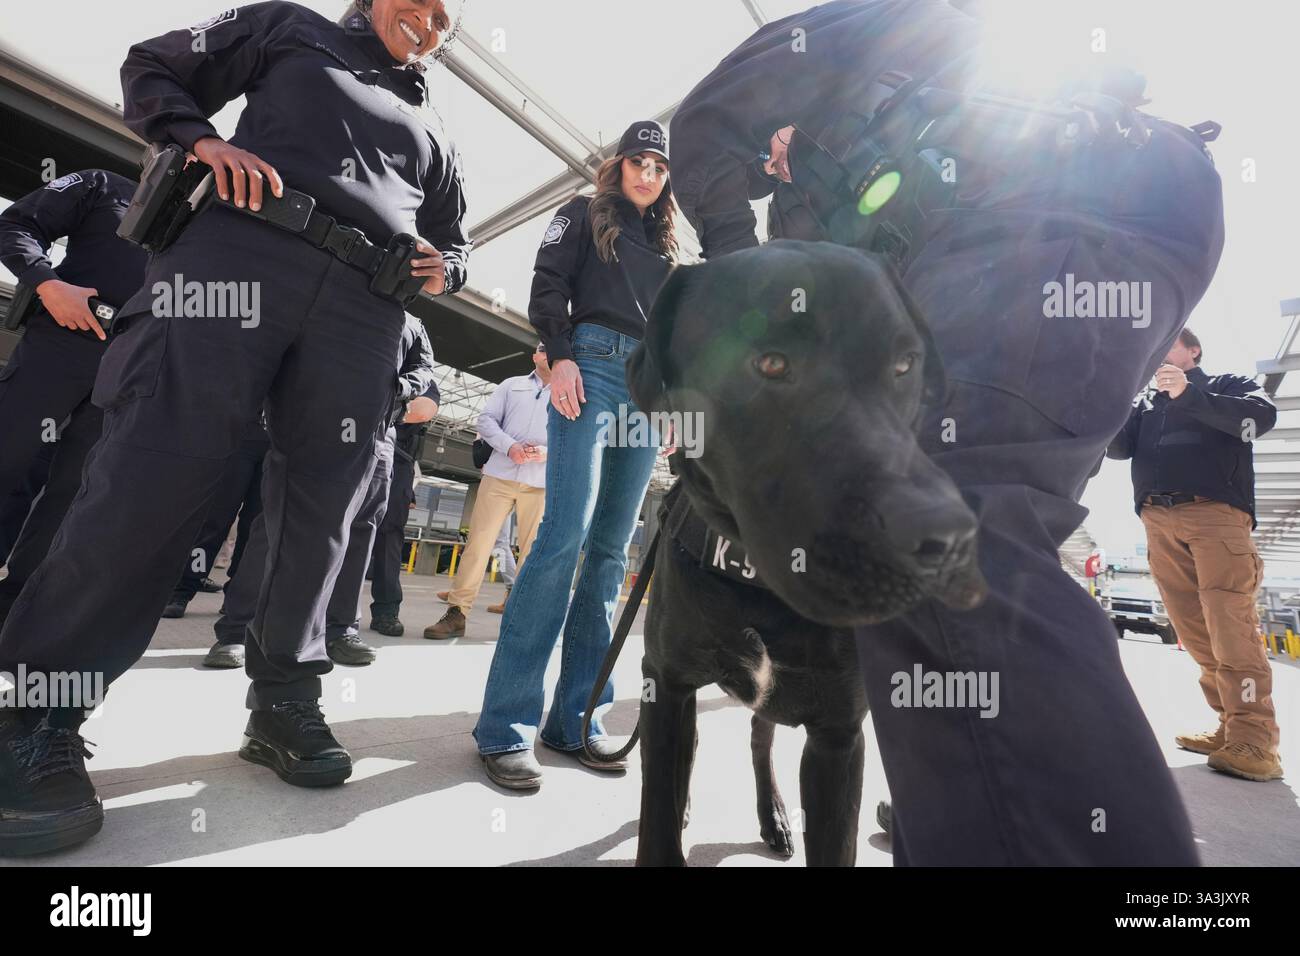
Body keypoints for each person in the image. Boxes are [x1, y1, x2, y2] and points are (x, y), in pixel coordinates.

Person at [668, 0, 1225, 863]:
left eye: (774, 152)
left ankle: (1020, 830)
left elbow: (705, 122)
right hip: (1143, 219)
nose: (774, 164)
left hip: (1046, 216)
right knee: (989, 512)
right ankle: (957, 804)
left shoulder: (865, 28)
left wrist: (738, 265)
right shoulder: (857, 185)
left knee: (950, 523)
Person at [0, 0, 468, 857]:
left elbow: (453, 240)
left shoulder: (437, 128)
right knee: (155, 472)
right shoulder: (293, 28)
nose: (431, 23)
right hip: (240, 257)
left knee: (324, 511)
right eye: (421, 2)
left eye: (448, 18)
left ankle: (284, 701)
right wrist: (195, 139)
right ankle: (35, 715)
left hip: (367, 309)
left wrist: (447, 266)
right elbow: (155, 63)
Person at [473, 120, 675, 790]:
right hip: (589, 367)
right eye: (638, 161)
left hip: (647, 384)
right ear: (618, 165)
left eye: (658, 165)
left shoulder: (667, 246)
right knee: (563, 535)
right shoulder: (579, 214)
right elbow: (547, 283)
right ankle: (506, 729)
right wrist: (559, 356)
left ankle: (576, 719)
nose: (647, 174)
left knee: (613, 552)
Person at [209, 316, 439, 669]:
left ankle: (339, 630)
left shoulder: (411, 325)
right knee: (275, 525)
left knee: (359, 531)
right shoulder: (329, 289)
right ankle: (236, 630)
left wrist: (392, 392)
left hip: (376, 435)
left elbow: (425, 381)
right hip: (309, 423)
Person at [1107, 328, 1281, 781]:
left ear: (1193, 350)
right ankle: (1230, 726)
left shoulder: (1226, 385)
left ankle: (1257, 741)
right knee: (1192, 628)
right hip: (1158, 520)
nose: (1155, 351)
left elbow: (1258, 421)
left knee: (1230, 622)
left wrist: (1188, 395)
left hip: (1215, 517)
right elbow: (1118, 448)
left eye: (1168, 341)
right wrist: (1114, 401)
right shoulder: (1145, 403)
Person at [0, 170, 148, 562]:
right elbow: (16, 224)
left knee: (73, 495)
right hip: (64, 340)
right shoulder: (103, 185)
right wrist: (47, 283)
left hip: (132, 366)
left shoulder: (208, 228)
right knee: (9, 456)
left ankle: (18, 607)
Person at [424, 342, 550, 639]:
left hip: (542, 482)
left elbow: (574, 436)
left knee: (533, 550)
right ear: (534, 356)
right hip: (500, 474)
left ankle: (523, 618)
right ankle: (457, 613)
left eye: (553, 347)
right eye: (542, 347)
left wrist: (546, 451)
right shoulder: (512, 385)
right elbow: (486, 420)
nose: (548, 352)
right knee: (479, 544)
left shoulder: (567, 391)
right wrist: (511, 447)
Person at [161, 418, 269, 619]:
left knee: (256, 529)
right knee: (213, 521)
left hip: (276, 439)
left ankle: (238, 597)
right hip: (238, 433)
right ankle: (182, 590)